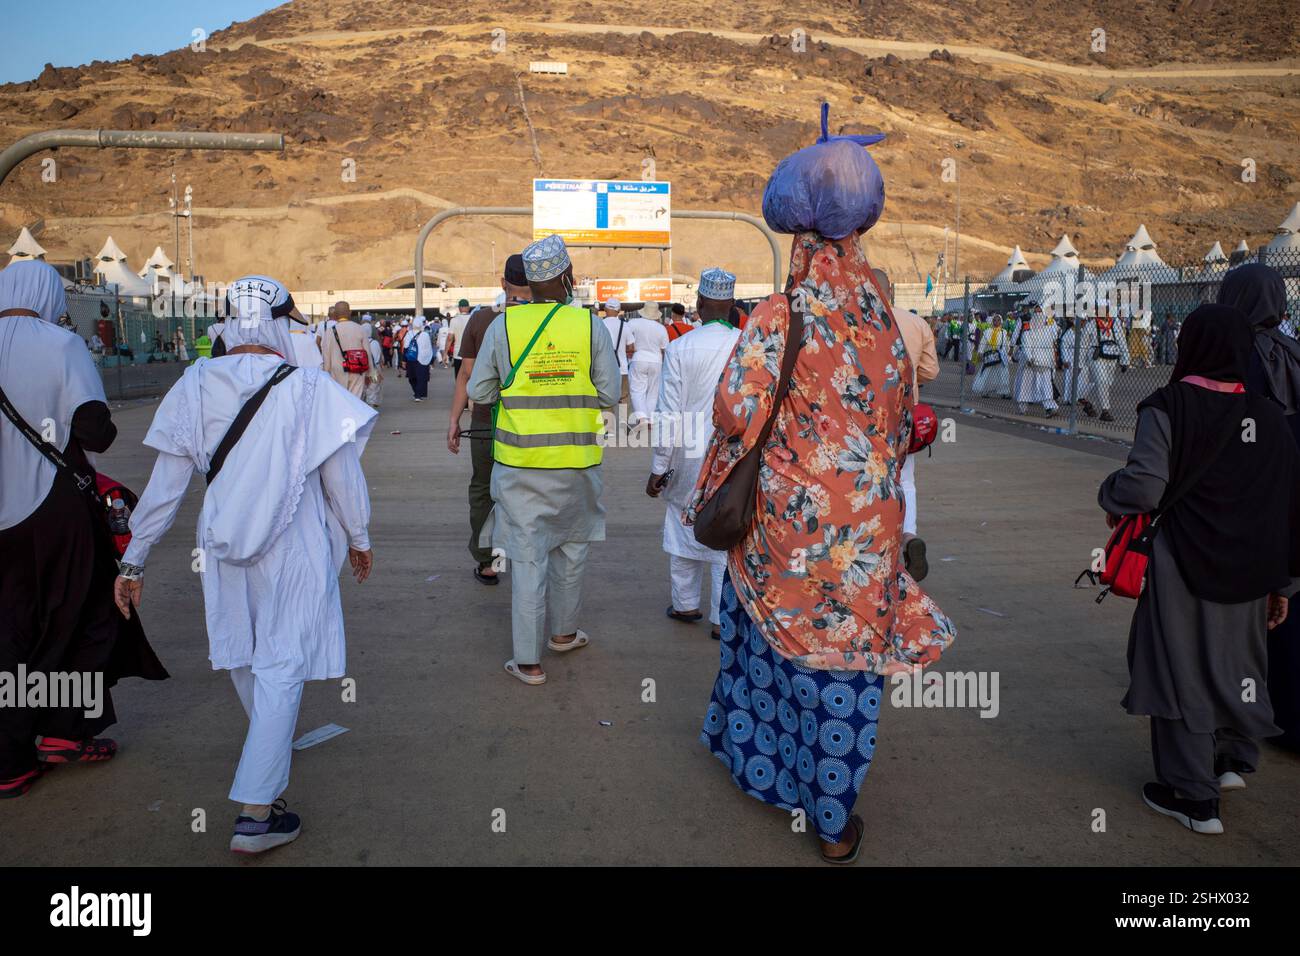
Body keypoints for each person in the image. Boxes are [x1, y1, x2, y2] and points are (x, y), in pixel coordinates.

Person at [688, 126, 956, 863]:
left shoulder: (779, 317)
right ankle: (833, 819)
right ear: (861, 228)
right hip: (869, 530)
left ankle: (766, 771)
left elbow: (735, 412)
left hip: (786, 529)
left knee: (772, 647)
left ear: (798, 233)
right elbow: (900, 424)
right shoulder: (892, 326)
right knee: (845, 662)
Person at [115, 274, 375, 853]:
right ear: (284, 324)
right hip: (296, 543)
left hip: (221, 540)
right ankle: (256, 816)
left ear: (229, 322)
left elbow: (165, 487)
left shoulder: (194, 383)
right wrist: (359, 536)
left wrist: (133, 561)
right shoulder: (308, 386)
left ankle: (269, 753)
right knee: (282, 662)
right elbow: (342, 476)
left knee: (244, 653)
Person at [1098, 304, 1299, 834]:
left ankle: (1194, 798)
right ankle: (1232, 762)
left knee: (1178, 670)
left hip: (1182, 567)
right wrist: (1284, 583)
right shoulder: (1273, 418)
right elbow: (1288, 508)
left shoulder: (1167, 406)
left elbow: (1142, 487)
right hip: (1254, 571)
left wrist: (1108, 492)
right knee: (1240, 665)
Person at [0, 261, 168, 798]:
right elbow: (96, 433)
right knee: (82, 612)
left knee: (9, 626)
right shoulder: (59, 343)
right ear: (48, 295)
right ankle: (62, 730)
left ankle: (9, 760)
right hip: (52, 506)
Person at [467, 235, 620, 685]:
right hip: (577, 466)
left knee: (528, 558)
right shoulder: (589, 326)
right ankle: (564, 634)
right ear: (567, 277)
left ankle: (528, 662)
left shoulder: (503, 327)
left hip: (519, 468)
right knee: (572, 551)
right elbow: (610, 393)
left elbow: (479, 392)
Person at [1218, 263, 1300, 752]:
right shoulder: (1294, 351)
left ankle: (1235, 722)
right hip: (1292, 497)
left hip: (1248, 499)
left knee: (1245, 614)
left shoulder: (1232, 354)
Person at [647, 268, 741, 639]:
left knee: (682, 520)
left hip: (688, 451)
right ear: (731, 305)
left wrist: (658, 468)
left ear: (700, 305)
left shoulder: (681, 348)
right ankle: (722, 617)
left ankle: (686, 604)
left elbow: (668, 415)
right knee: (723, 528)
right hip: (733, 452)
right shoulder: (746, 344)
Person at [448, 253, 531, 585]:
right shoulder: (550, 319)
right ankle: (525, 556)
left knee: (484, 489)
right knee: (525, 490)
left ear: (503, 284)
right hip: (531, 422)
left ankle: (490, 562)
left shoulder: (482, 320)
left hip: (486, 419)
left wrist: (455, 420)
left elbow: (466, 375)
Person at [1080, 310, 1130, 423]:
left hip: (1111, 356)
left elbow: (1122, 341)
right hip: (1096, 356)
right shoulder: (1091, 324)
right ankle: (1105, 410)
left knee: (1106, 383)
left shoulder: (1115, 323)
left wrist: (1125, 360)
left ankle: (1083, 399)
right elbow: (1084, 344)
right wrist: (1081, 363)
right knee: (1102, 381)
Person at [626, 302, 669, 427]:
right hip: (656, 360)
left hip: (638, 358)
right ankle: (650, 419)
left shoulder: (633, 323)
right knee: (653, 391)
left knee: (637, 390)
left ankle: (642, 417)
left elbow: (627, 340)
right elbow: (664, 348)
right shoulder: (661, 328)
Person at [1013, 305, 1058, 417]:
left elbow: (1053, 342)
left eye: (1040, 311)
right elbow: (1026, 342)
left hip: (1044, 362)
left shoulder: (1049, 328)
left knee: (1046, 384)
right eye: (1036, 311)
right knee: (1025, 384)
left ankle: (1050, 407)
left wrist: (1052, 361)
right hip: (1029, 362)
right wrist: (1029, 357)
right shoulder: (1028, 329)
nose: (1038, 313)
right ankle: (1023, 407)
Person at [319, 301, 370, 399]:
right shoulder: (359, 329)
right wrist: (370, 373)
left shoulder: (329, 332)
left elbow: (326, 356)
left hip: (337, 370)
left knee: (340, 398)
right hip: (357, 368)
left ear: (336, 314)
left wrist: (326, 372)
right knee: (356, 399)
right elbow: (367, 352)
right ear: (350, 312)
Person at [599, 298, 632, 408]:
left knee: (606, 401)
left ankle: (608, 424)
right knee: (623, 398)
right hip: (621, 368)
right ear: (619, 311)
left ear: (605, 309)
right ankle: (623, 423)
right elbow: (631, 346)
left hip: (603, 370)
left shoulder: (599, 324)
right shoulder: (625, 326)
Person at [972, 313, 1011, 398]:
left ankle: (1004, 392)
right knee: (987, 373)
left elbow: (1006, 343)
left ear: (1001, 321)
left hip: (1000, 356)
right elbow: (983, 342)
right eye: (994, 320)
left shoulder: (1004, 332)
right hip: (990, 356)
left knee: (1003, 373)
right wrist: (980, 352)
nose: (996, 321)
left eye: (998, 320)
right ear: (992, 321)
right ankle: (985, 391)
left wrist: (1008, 352)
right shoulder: (988, 331)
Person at [403, 317, 433, 401]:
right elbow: (428, 348)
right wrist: (430, 360)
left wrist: (404, 360)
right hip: (422, 359)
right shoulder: (425, 335)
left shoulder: (409, 333)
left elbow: (405, 347)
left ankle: (417, 393)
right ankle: (418, 394)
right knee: (421, 377)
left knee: (412, 377)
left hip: (411, 358)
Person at [449, 299, 471, 376]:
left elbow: (450, 338)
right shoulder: (474, 318)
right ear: (468, 307)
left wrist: (445, 353)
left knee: (459, 378)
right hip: (472, 354)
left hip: (458, 353)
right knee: (470, 379)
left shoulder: (454, 320)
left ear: (459, 308)